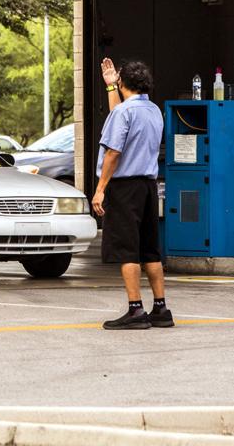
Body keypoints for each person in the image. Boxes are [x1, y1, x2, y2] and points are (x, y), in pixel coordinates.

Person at [93, 57, 172, 330]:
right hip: (147, 186)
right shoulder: (153, 110)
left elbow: (114, 151)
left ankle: (135, 309)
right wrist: (110, 88)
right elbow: (120, 118)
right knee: (150, 249)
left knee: (128, 250)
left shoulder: (123, 113)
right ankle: (161, 308)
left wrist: (100, 189)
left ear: (123, 81)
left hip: (125, 188)